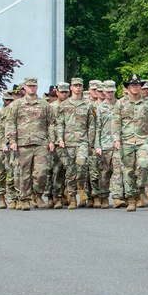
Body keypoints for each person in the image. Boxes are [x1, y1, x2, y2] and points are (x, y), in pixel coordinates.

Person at [6, 77, 55, 210]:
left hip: (41, 143)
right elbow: (11, 124)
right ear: (25, 88)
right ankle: (25, 199)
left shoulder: (44, 105)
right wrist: (12, 141)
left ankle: (38, 195)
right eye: (29, 86)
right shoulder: (16, 105)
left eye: (34, 85)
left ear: (37, 87)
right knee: (24, 173)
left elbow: (51, 123)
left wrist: (51, 140)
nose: (32, 87)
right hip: (23, 143)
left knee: (41, 172)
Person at [112, 74, 148, 211]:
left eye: (137, 85)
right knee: (128, 171)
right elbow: (115, 122)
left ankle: (141, 189)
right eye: (132, 85)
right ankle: (131, 199)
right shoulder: (120, 103)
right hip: (126, 140)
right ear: (127, 87)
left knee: (144, 166)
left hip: (143, 139)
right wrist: (116, 139)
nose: (135, 87)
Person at [55, 77, 94, 208]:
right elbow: (60, 124)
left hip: (82, 141)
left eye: (79, 86)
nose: (77, 88)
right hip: (68, 142)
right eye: (75, 86)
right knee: (70, 171)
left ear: (82, 88)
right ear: (71, 88)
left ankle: (80, 186)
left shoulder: (88, 105)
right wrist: (60, 139)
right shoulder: (63, 105)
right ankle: (72, 198)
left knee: (82, 164)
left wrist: (91, 143)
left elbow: (92, 125)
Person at [92, 80, 119, 208]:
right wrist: (97, 145)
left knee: (118, 171)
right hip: (104, 143)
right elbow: (97, 128)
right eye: (108, 91)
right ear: (103, 92)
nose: (110, 94)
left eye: (112, 91)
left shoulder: (120, 105)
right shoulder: (100, 108)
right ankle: (103, 197)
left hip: (118, 144)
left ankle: (118, 197)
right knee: (104, 172)